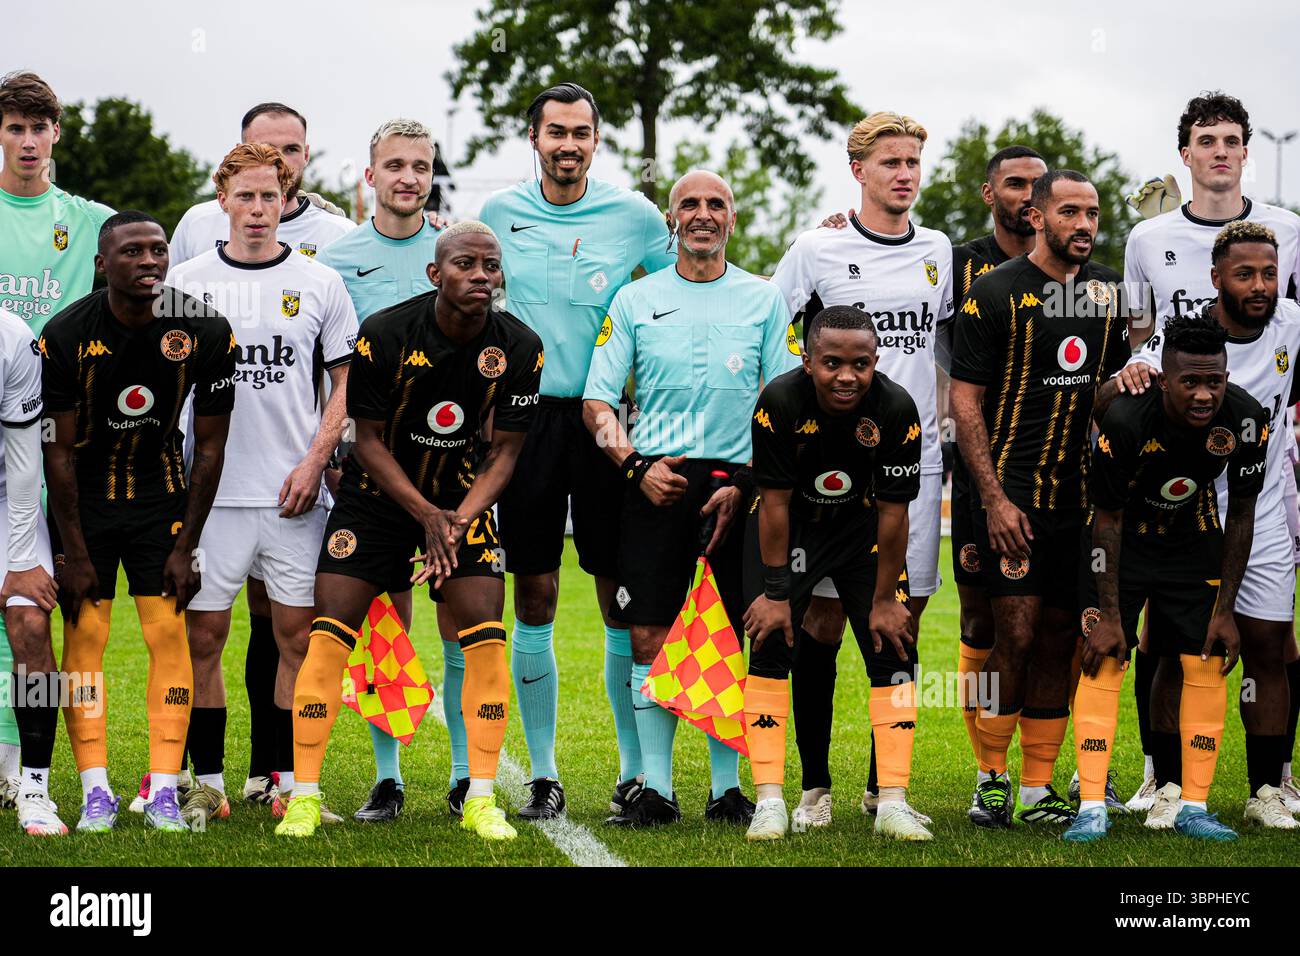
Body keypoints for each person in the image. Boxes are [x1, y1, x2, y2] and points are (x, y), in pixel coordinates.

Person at [274, 221, 543, 840]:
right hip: (375, 502)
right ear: (435, 274)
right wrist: (425, 517)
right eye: (467, 265)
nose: (481, 276)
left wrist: (457, 520)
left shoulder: (521, 346)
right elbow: (365, 442)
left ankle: (480, 798)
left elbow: (504, 454)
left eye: (491, 266)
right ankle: (307, 796)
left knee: (485, 639)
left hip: (461, 505)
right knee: (328, 639)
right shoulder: (386, 333)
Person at [478, 83, 676, 819]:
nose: (569, 144)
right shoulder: (498, 213)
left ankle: (631, 770)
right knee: (534, 593)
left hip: (602, 425)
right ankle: (544, 774)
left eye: (581, 133)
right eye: (556, 131)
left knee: (619, 597)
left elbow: (681, 289)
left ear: (597, 141)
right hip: (522, 424)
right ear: (533, 138)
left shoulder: (635, 215)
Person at [583, 169, 796, 827]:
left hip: (737, 487)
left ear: (733, 218)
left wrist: (749, 483)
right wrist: (634, 464)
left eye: (717, 204)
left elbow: (784, 405)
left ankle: (726, 789)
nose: (703, 214)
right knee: (649, 628)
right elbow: (597, 402)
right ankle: (654, 788)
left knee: (733, 634)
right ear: (672, 220)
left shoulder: (763, 298)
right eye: (690, 205)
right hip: (655, 481)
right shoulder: (634, 299)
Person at [166, 102, 357, 811]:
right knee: (205, 636)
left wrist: (315, 460)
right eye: (242, 196)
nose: (256, 208)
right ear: (222, 201)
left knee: (296, 636)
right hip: (210, 499)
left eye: (268, 196)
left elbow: (346, 381)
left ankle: (287, 786)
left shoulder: (318, 282)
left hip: (293, 493)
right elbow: (164, 390)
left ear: (286, 200)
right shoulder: (185, 283)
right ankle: (208, 786)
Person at [768, 111, 952, 827]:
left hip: (913, 464)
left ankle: (885, 792)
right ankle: (815, 788)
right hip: (825, 475)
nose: (904, 175)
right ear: (859, 172)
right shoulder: (817, 246)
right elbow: (768, 324)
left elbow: (948, 346)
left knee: (897, 621)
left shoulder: (938, 249)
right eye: (890, 164)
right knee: (816, 621)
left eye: (912, 163)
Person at [1119, 91, 1300, 812]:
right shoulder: (1147, 239)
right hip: (1177, 488)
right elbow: (1137, 341)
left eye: (1232, 139)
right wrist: (1130, 375)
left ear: (1248, 151)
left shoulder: (1287, 232)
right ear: (1186, 154)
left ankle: (1271, 783)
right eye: (1207, 140)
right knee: (1166, 641)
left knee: (1267, 641)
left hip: (1263, 487)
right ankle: (1157, 775)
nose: (1220, 151)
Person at [42, 210, 235, 832]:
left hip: (162, 502)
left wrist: (189, 545)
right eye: (132, 252)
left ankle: (163, 795)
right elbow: (58, 453)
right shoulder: (66, 334)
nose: (149, 261)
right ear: (103, 264)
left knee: (167, 638)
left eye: (157, 250)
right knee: (86, 640)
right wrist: (71, 552)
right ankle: (94, 791)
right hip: (86, 505)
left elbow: (209, 447)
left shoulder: (206, 328)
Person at [950, 169, 1128, 829]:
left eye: (1093, 213)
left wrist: (1126, 378)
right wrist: (993, 501)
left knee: (1059, 639)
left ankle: (1035, 789)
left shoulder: (1111, 292)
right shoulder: (994, 293)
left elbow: (1109, 386)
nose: (1084, 225)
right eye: (1071, 212)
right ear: (1039, 216)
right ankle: (989, 779)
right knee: (1015, 636)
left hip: (1078, 502)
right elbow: (964, 400)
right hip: (1013, 497)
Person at [1067, 313, 1265, 842]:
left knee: (1204, 658)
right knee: (1104, 654)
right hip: (1123, 537)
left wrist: (1225, 610)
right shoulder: (1128, 418)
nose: (1204, 395)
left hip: (1189, 534)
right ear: (1165, 376)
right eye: (1190, 382)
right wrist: (1108, 616)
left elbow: (1242, 514)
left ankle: (1193, 806)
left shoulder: (1246, 418)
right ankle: (1091, 807)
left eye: (1215, 382)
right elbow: (1105, 517)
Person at [742, 306, 929, 841]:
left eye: (860, 364)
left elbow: (895, 513)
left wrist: (888, 597)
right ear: (807, 360)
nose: (846, 376)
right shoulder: (779, 401)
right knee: (771, 642)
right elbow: (772, 503)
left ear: (875, 363)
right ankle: (772, 801)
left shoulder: (896, 407)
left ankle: (892, 800)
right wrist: (776, 594)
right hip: (793, 527)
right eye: (831, 363)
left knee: (894, 648)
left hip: (858, 529)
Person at [316, 117, 443, 822]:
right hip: (366, 469)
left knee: (459, 618)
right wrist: (332, 452)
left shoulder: (458, 250)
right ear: (369, 177)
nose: (408, 178)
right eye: (394, 165)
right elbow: (327, 371)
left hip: (448, 475)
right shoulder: (337, 259)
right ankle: (388, 777)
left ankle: (464, 777)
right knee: (378, 618)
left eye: (420, 167)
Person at [0, 70, 113, 805]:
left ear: (58, 134)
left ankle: (51, 766)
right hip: (3, 428)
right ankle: (11, 766)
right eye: (15, 128)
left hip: (68, 443)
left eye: (40, 128)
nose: (29, 142)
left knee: (64, 610)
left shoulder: (94, 221)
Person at [0, 302, 59, 834]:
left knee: (31, 622)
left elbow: (24, 463)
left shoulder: (10, 334)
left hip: (5, 500)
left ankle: (35, 787)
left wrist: (20, 562)